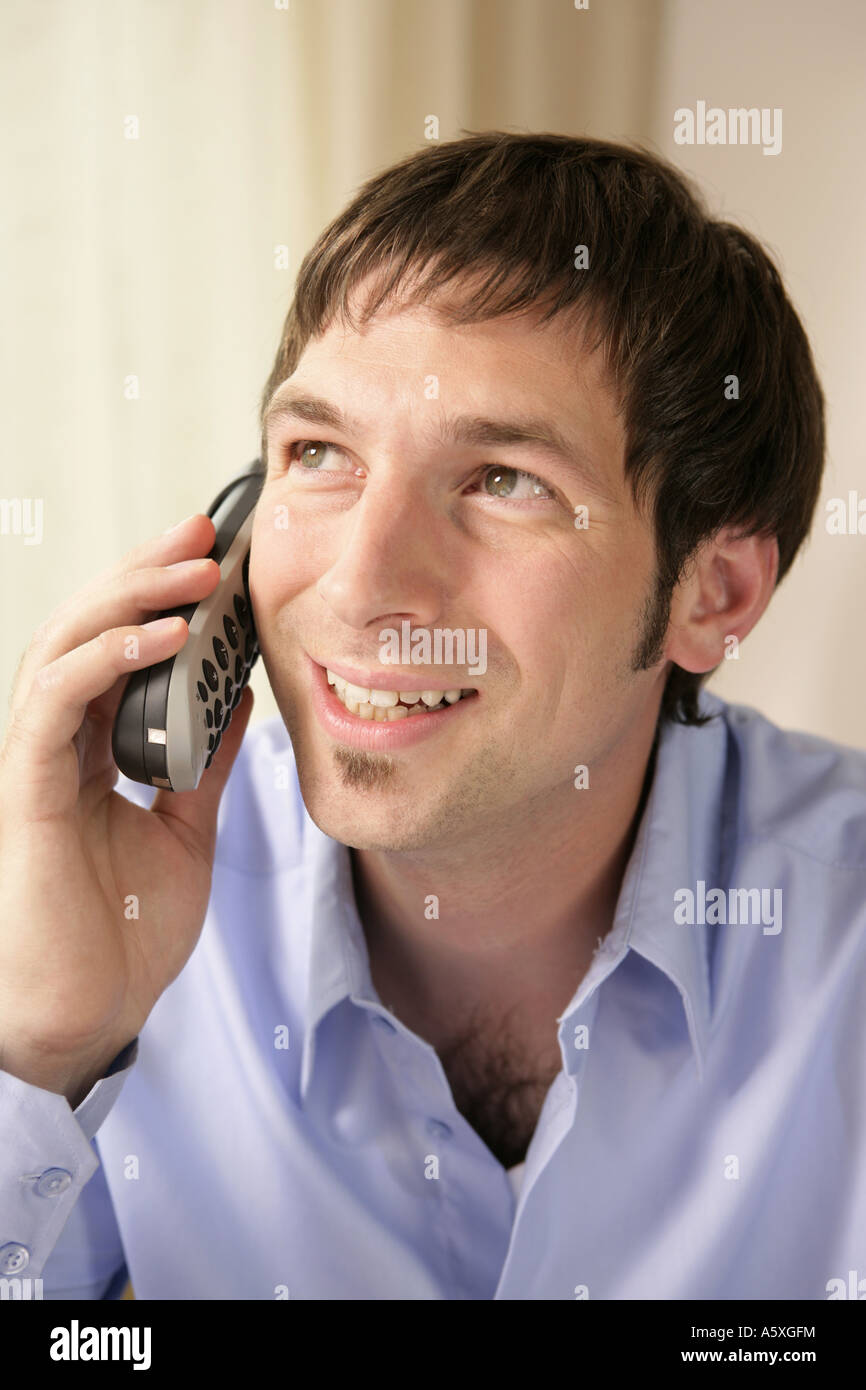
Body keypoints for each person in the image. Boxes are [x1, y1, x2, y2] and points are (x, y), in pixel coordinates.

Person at [1, 131, 863, 1302]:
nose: (358, 584)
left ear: (709, 594)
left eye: (503, 479)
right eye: (320, 454)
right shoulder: (101, 901)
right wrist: (37, 1061)